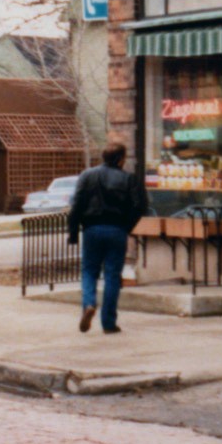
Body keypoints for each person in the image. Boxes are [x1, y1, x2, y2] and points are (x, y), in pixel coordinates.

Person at [67, 142, 148, 334]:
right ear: (121, 159)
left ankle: (89, 303)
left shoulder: (87, 176)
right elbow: (139, 206)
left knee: (89, 271)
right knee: (112, 275)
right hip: (117, 230)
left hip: (92, 229)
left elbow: (76, 205)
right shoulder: (129, 179)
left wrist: (72, 232)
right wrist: (127, 226)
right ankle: (109, 322)